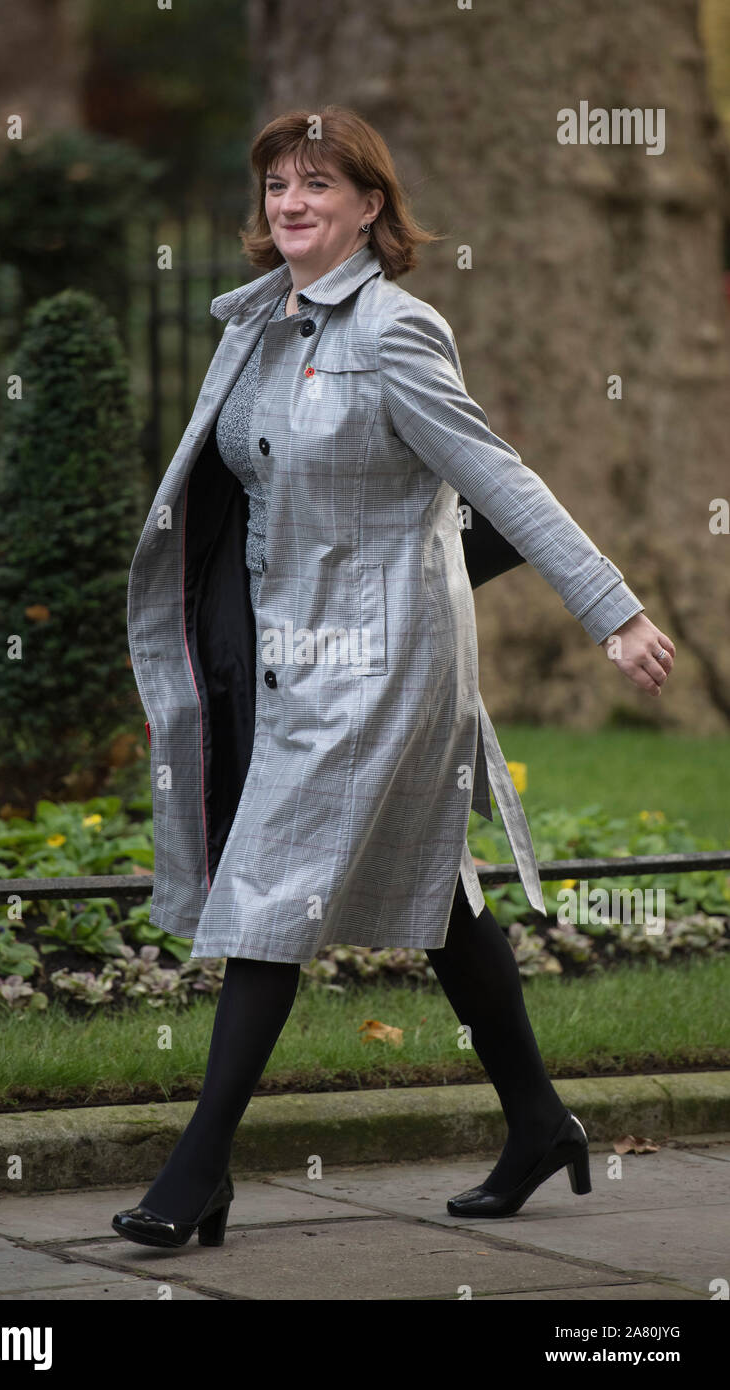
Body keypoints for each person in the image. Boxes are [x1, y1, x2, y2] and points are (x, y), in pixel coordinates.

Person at [113, 105, 675, 1250]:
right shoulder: (260, 325)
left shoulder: (393, 331)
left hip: (381, 654)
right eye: (276, 184)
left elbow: (498, 477)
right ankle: (538, 1122)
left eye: (317, 184)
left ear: (372, 206)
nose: (291, 203)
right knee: (437, 891)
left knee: (270, 885)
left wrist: (611, 608)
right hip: (286, 645)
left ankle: (197, 1171)